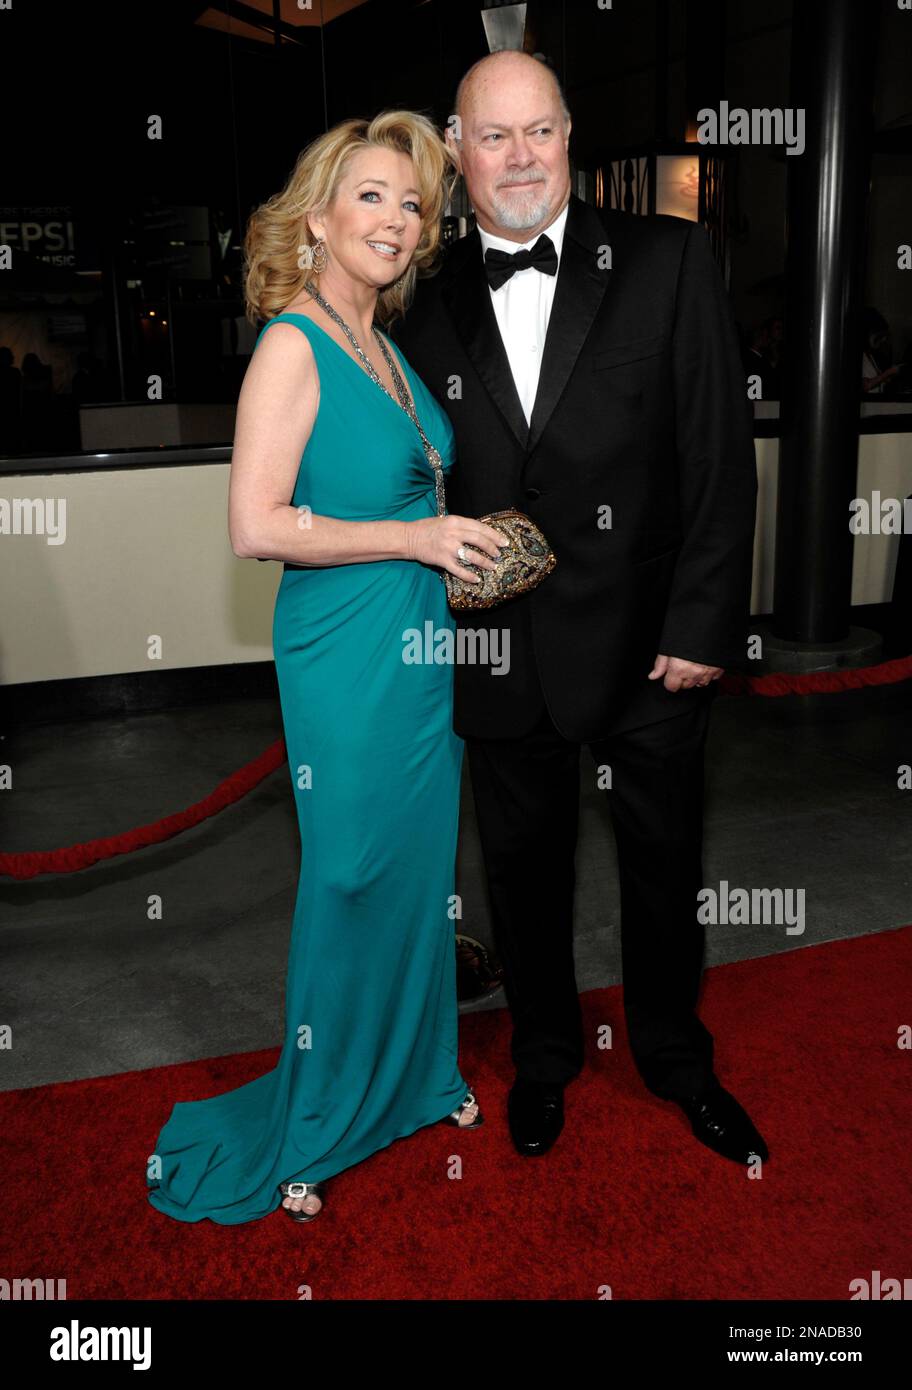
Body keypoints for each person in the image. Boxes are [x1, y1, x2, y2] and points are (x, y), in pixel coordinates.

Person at [394, 51, 767, 1165]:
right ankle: (546, 1056)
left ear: (569, 140)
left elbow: (719, 457)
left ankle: (675, 1054)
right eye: (492, 136)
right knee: (523, 870)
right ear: (459, 155)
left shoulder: (669, 259)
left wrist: (703, 624)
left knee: (663, 860)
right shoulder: (421, 302)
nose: (518, 156)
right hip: (504, 647)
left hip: (653, 641)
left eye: (538, 131)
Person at [146, 111, 506, 1226]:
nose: (397, 220)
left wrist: (462, 544)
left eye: (413, 203)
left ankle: (412, 1081)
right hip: (343, 650)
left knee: (412, 874)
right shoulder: (295, 342)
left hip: (416, 641)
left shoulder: (383, 346)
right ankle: (313, 1123)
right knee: (349, 875)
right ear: (318, 215)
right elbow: (254, 525)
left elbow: (408, 494)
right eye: (372, 197)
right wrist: (413, 540)